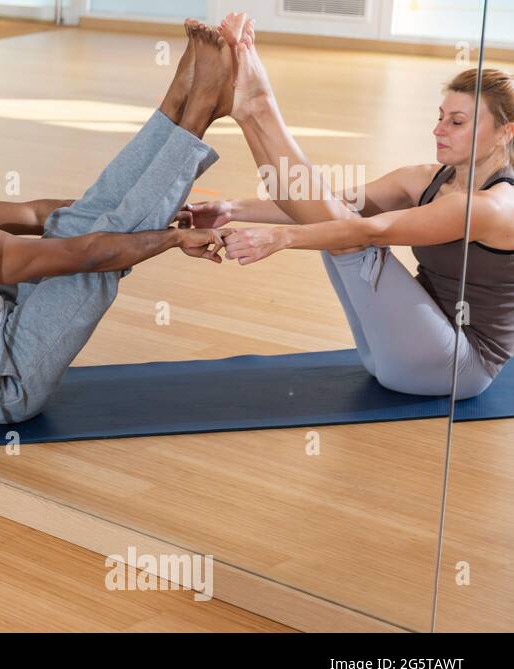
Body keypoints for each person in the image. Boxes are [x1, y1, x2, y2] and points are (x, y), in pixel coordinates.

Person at [0, 20, 234, 424]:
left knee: (71, 225)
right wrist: (170, 239)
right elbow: (88, 256)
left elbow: (37, 214)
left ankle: (177, 104)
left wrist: (150, 208)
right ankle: (201, 111)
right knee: (89, 267)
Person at [191, 13, 514, 399]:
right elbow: (327, 203)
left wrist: (281, 239)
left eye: (457, 122)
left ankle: (258, 106)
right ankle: (250, 112)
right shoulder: (428, 178)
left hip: (455, 367)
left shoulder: (494, 206)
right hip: (389, 353)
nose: (438, 130)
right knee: (336, 215)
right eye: (440, 117)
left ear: (505, 132)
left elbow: (371, 231)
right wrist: (232, 208)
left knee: (350, 234)